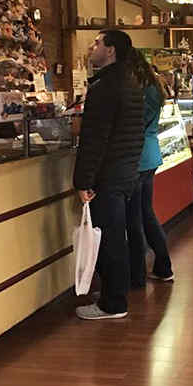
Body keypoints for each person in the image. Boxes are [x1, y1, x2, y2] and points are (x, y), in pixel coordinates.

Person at [73, 30, 145, 320]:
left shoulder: (106, 87)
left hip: (109, 173)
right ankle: (113, 293)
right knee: (117, 235)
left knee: (110, 238)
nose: (93, 47)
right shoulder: (131, 82)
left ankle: (113, 303)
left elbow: (95, 138)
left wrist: (82, 180)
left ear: (111, 50)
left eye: (98, 43)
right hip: (126, 169)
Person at [126, 52, 174, 286]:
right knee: (146, 213)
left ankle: (137, 276)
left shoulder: (138, 90)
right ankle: (163, 266)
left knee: (134, 218)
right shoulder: (154, 86)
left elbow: (132, 125)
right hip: (151, 154)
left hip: (137, 156)